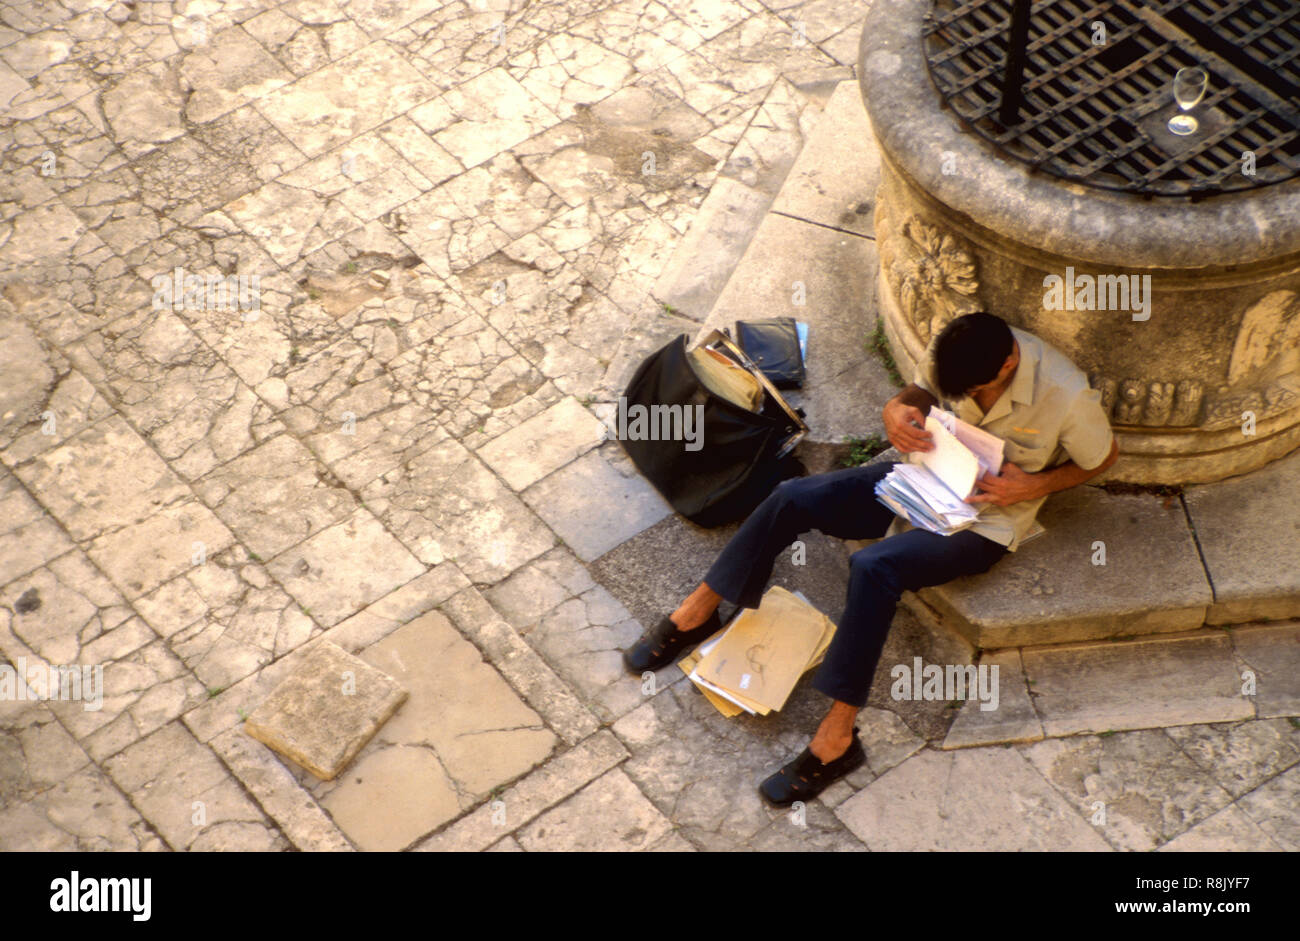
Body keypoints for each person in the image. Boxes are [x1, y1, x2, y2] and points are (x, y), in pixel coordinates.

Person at [622, 311, 1119, 804]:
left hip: (986, 520)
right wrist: (895, 409)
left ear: (1009, 364)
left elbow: (1103, 458)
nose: (963, 400)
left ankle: (836, 739)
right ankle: (700, 610)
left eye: (973, 392)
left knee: (875, 566)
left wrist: (1035, 484)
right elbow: (918, 392)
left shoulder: (1067, 395)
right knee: (792, 495)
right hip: (920, 482)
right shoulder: (955, 344)